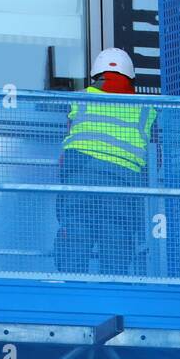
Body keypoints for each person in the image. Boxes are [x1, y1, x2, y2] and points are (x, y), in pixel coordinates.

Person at [55, 48, 156, 275]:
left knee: (76, 232)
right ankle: (114, 288)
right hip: (123, 182)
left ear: (96, 74)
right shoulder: (146, 108)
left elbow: (69, 133)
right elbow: (153, 156)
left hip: (80, 175)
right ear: (130, 76)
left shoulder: (80, 98)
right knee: (116, 237)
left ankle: (70, 285)